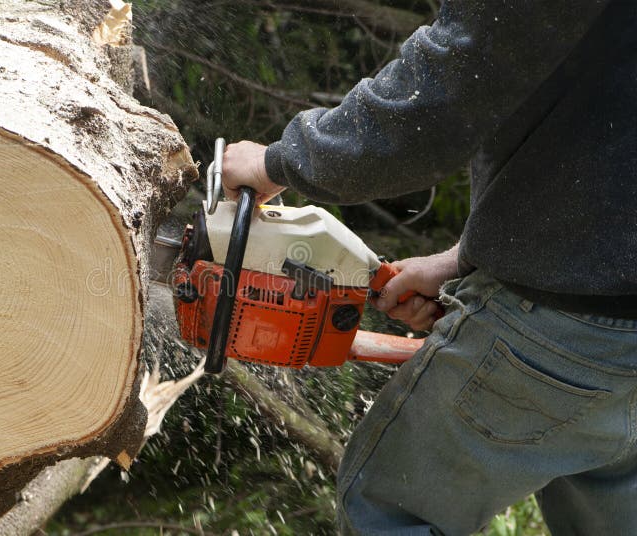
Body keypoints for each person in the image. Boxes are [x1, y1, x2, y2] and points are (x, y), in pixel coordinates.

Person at [220, 2, 637, 535]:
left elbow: (451, 86)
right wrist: (464, 258)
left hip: (569, 318)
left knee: (388, 514)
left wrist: (279, 162)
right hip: (604, 301)